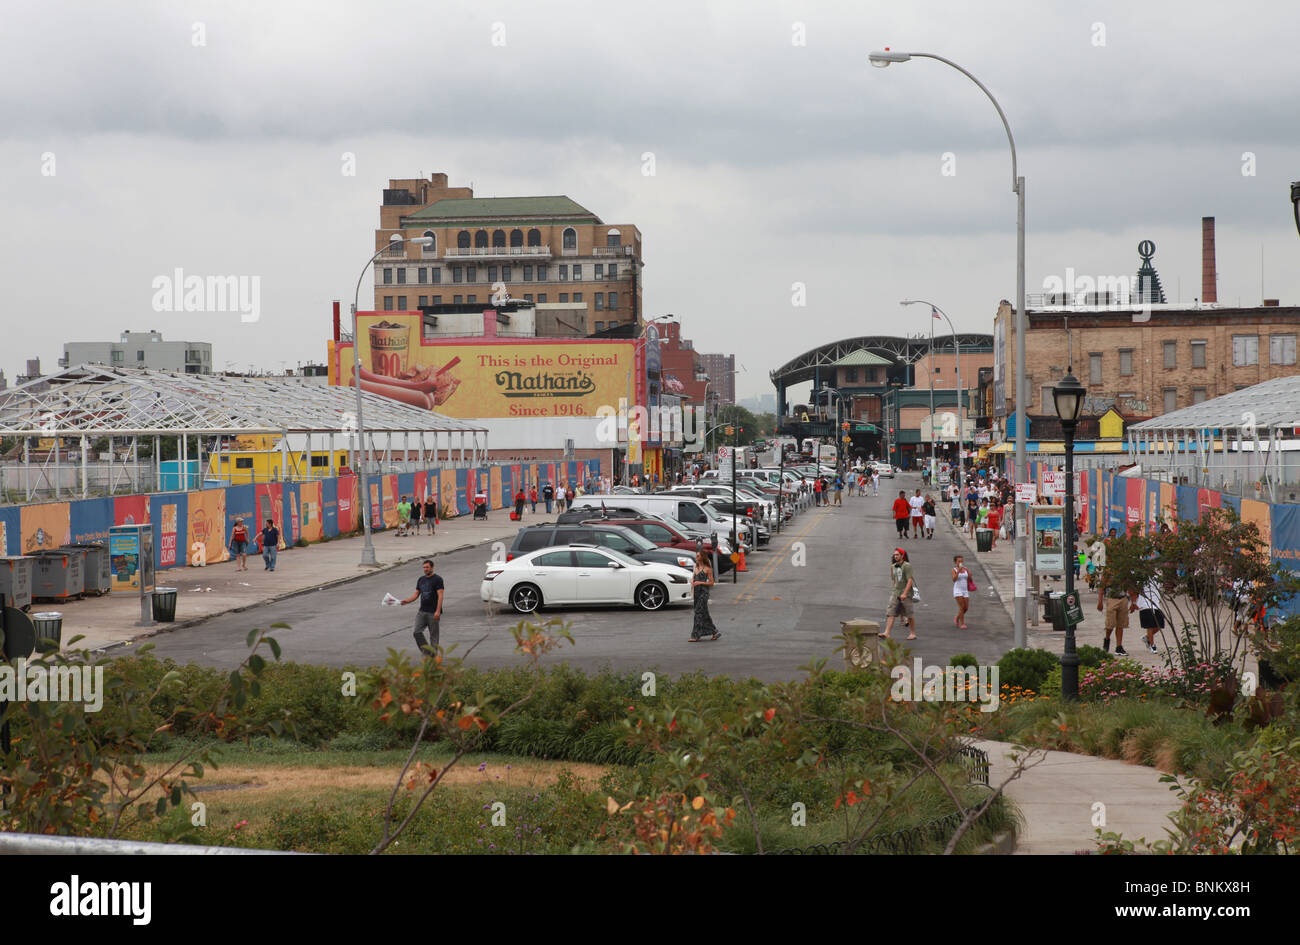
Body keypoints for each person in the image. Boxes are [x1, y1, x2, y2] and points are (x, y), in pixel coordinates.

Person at [400, 559, 444, 657]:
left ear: (432, 567)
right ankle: (428, 653)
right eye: (424, 567)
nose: (425, 569)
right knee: (416, 632)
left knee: (434, 636)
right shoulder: (421, 579)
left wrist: (438, 611)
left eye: (427, 567)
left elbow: (440, 595)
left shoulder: (438, 579)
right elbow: (416, 594)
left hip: (433, 612)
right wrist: (406, 601)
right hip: (422, 611)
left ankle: (433, 658)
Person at [879, 547, 916, 641]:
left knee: (909, 614)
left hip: (906, 594)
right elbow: (893, 579)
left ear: (902, 555)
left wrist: (904, 593)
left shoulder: (907, 566)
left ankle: (912, 633)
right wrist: (895, 588)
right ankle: (887, 632)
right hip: (896, 593)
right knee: (891, 612)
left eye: (897, 555)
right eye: (894, 555)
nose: (895, 556)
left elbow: (910, 580)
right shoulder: (893, 566)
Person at [1097, 566, 1135, 655]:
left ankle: (1119, 646)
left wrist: (1133, 602)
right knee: (1110, 624)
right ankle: (1107, 639)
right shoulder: (1108, 571)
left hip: (1123, 598)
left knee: (1121, 624)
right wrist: (1100, 602)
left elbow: (1130, 586)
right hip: (1111, 598)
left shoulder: (1125, 571)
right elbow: (1102, 587)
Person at [688, 550, 720, 642]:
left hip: (704, 593)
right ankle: (715, 632)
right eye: (696, 556)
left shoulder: (707, 568)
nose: (696, 558)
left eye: (698, 556)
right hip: (696, 593)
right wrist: (692, 582)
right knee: (704, 614)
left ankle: (695, 635)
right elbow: (694, 578)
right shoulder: (695, 567)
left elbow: (712, 582)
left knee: (698, 612)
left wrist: (700, 582)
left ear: (702, 557)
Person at [1135, 578, 1166, 654]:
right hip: (1144, 603)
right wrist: (1134, 602)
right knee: (1150, 625)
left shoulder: (1157, 576)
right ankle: (1152, 645)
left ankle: (1147, 637)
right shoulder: (1141, 576)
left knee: (1160, 624)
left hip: (1155, 603)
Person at [952, 555, 972, 629]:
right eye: (959, 561)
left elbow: (970, 578)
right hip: (957, 590)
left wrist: (969, 573)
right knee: (962, 606)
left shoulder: (965, 569)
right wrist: (958, 571)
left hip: (965, 590)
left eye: (961, 561)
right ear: (955, 562)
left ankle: (957, 618)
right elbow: (954, 579)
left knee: (966, 608)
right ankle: (962, 623)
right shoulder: (954, 569)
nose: (960, 562)